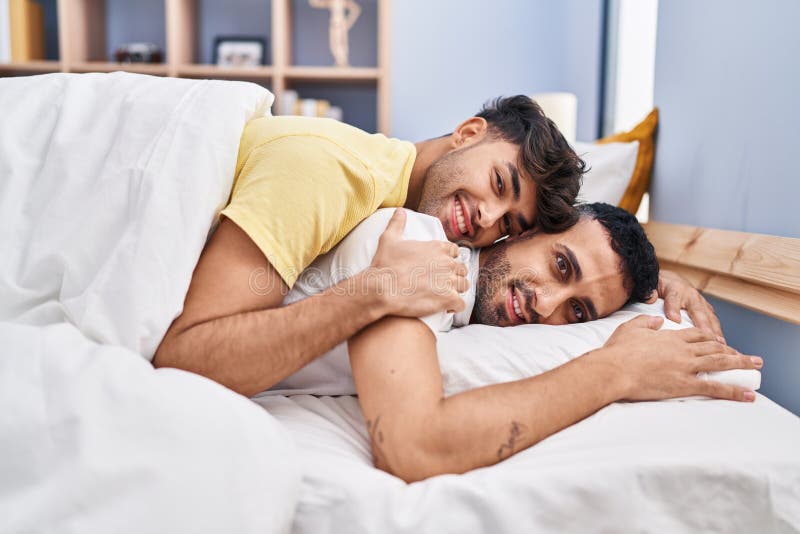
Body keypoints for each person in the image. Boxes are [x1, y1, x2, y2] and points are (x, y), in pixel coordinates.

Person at [153, 96, 722, 396]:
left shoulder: (390, 203)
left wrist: (653, 283)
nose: (484, 220)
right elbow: (185, 356)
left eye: (508, 225)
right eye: (499, 183)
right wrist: (372, 294)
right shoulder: (333, 172)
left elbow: (581, 247)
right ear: (469, 132)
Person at [344, 204, 762, 482]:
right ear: (527, 229)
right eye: (560, 265)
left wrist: (663, 280)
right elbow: (415, 447)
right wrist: (617, 368)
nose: (544, 305)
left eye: (577, 311)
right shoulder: (422, 254)